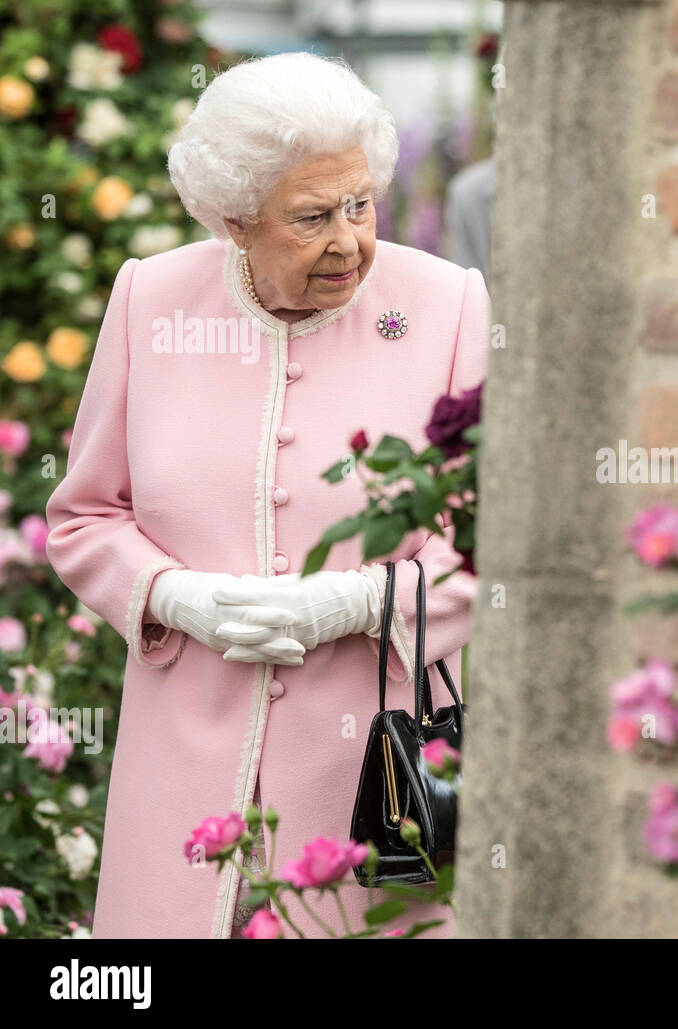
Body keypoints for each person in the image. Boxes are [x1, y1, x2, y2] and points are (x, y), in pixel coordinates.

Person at [43, 52, 489, 939]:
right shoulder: (150, 299)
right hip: (182, 766)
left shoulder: (446, 305)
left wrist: (358, 600)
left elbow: (492, 537)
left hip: (374, 773)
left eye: (361, 204)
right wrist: (177, 597)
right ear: (235, 221)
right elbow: (85, 514)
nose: (350, 240)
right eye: (313, 217)